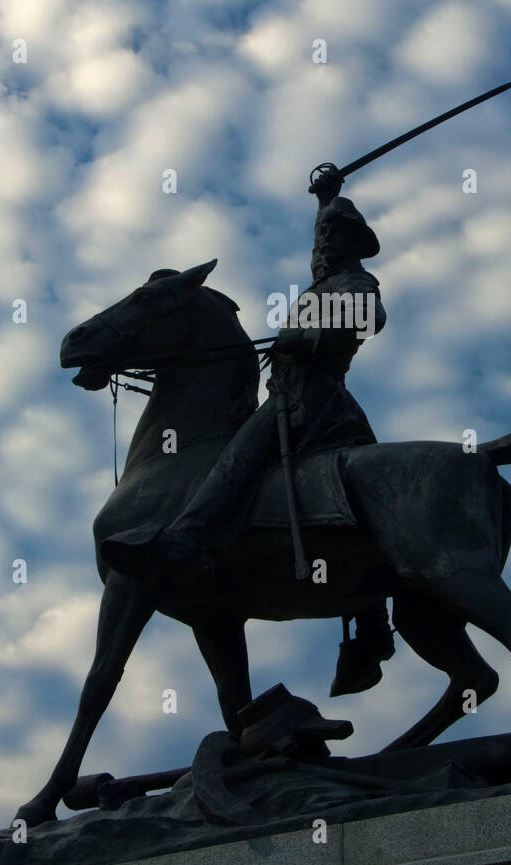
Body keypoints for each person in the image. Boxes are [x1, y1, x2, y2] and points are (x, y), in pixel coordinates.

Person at [101, 167, 394, 694]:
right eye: (321, 239)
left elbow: (370, 315)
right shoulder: (324, 279)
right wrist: (327, 199)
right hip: (294, 395)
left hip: (311, 399)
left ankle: (182, 540)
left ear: (353, 244)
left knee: (234, 462)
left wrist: (310, 341)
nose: (323, 246)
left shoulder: (354, 283)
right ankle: (372, 619)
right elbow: (321, 249)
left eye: (333, 237)